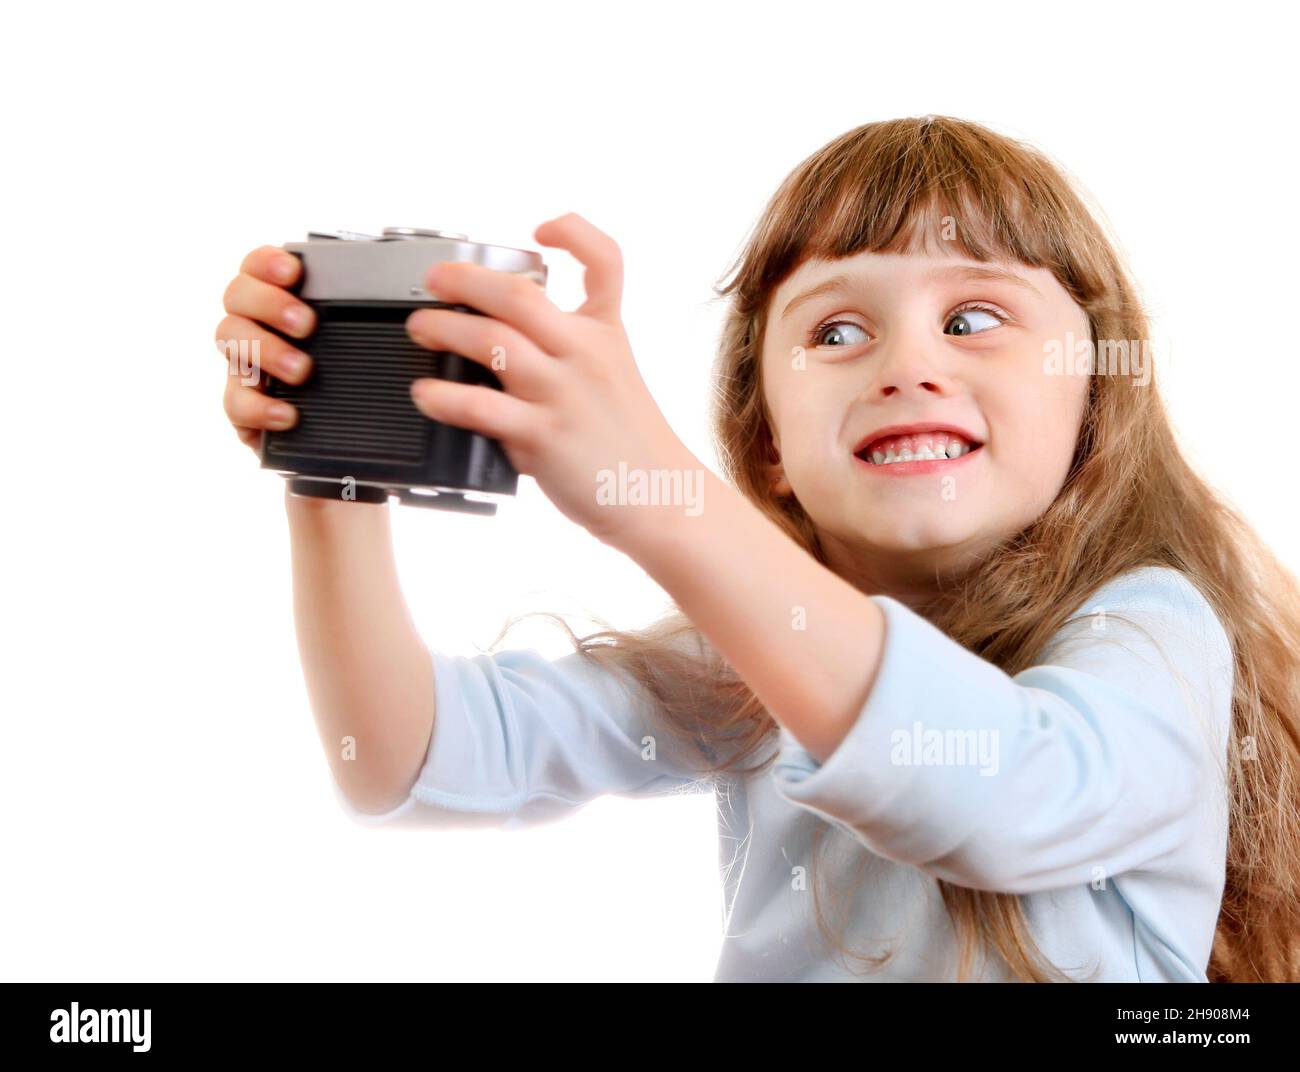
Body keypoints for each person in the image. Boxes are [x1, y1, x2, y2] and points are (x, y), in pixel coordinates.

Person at [214, 115, 1300, 982]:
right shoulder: (750, 657)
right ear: (769, 442)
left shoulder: (1150, 628)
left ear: (1096, 401)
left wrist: (661, 496)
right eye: (835, 331)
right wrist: (327, 467)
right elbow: (408, 764)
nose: (906, 364)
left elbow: (1004, 790)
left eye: (973, 318)